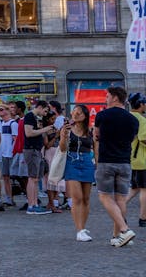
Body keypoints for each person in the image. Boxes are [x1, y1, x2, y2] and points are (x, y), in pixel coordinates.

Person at [94, 85, 138, 247]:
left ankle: (125, 230)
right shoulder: (133, 119)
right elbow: (132, 138)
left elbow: (96, 135)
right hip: (125, 163)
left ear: (114, 97)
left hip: (107, 161)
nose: (105, 99)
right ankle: (118, 236)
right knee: (120, 199)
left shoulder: (102, 116)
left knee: (104, 196)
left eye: (107, 96)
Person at [64, 103, 96, 242]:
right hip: (72, 162)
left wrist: (98, 166)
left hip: (87, 162)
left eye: (79, 113)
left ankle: (83, 226)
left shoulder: (91, 130)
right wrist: (64, 136)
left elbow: (96, 149)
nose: (75, 114)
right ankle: (79, 230)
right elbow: (62, 148)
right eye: (74, 112)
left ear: (85, 116)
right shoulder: (67, 129)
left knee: (86, 198)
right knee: (77, 198)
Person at [21, 100, 51, 215]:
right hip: (31, 149)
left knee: (35, 178)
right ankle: (31, 205)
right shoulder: (29, 116)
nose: (45, 113)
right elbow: (28, 133)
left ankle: (35, 204)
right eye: (45, 110)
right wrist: (46, 129)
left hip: (37, 149)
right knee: (32, 178)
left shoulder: (37, 118)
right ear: (40, 107)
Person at [129, 93, 146, 229]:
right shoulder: (141, 119)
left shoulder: (127, 116)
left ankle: (118, 207)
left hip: (130, 158)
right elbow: (143, 139)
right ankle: (143, 218)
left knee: (134, 189)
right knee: (144, 190)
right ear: (141, 104)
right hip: (141, 159)